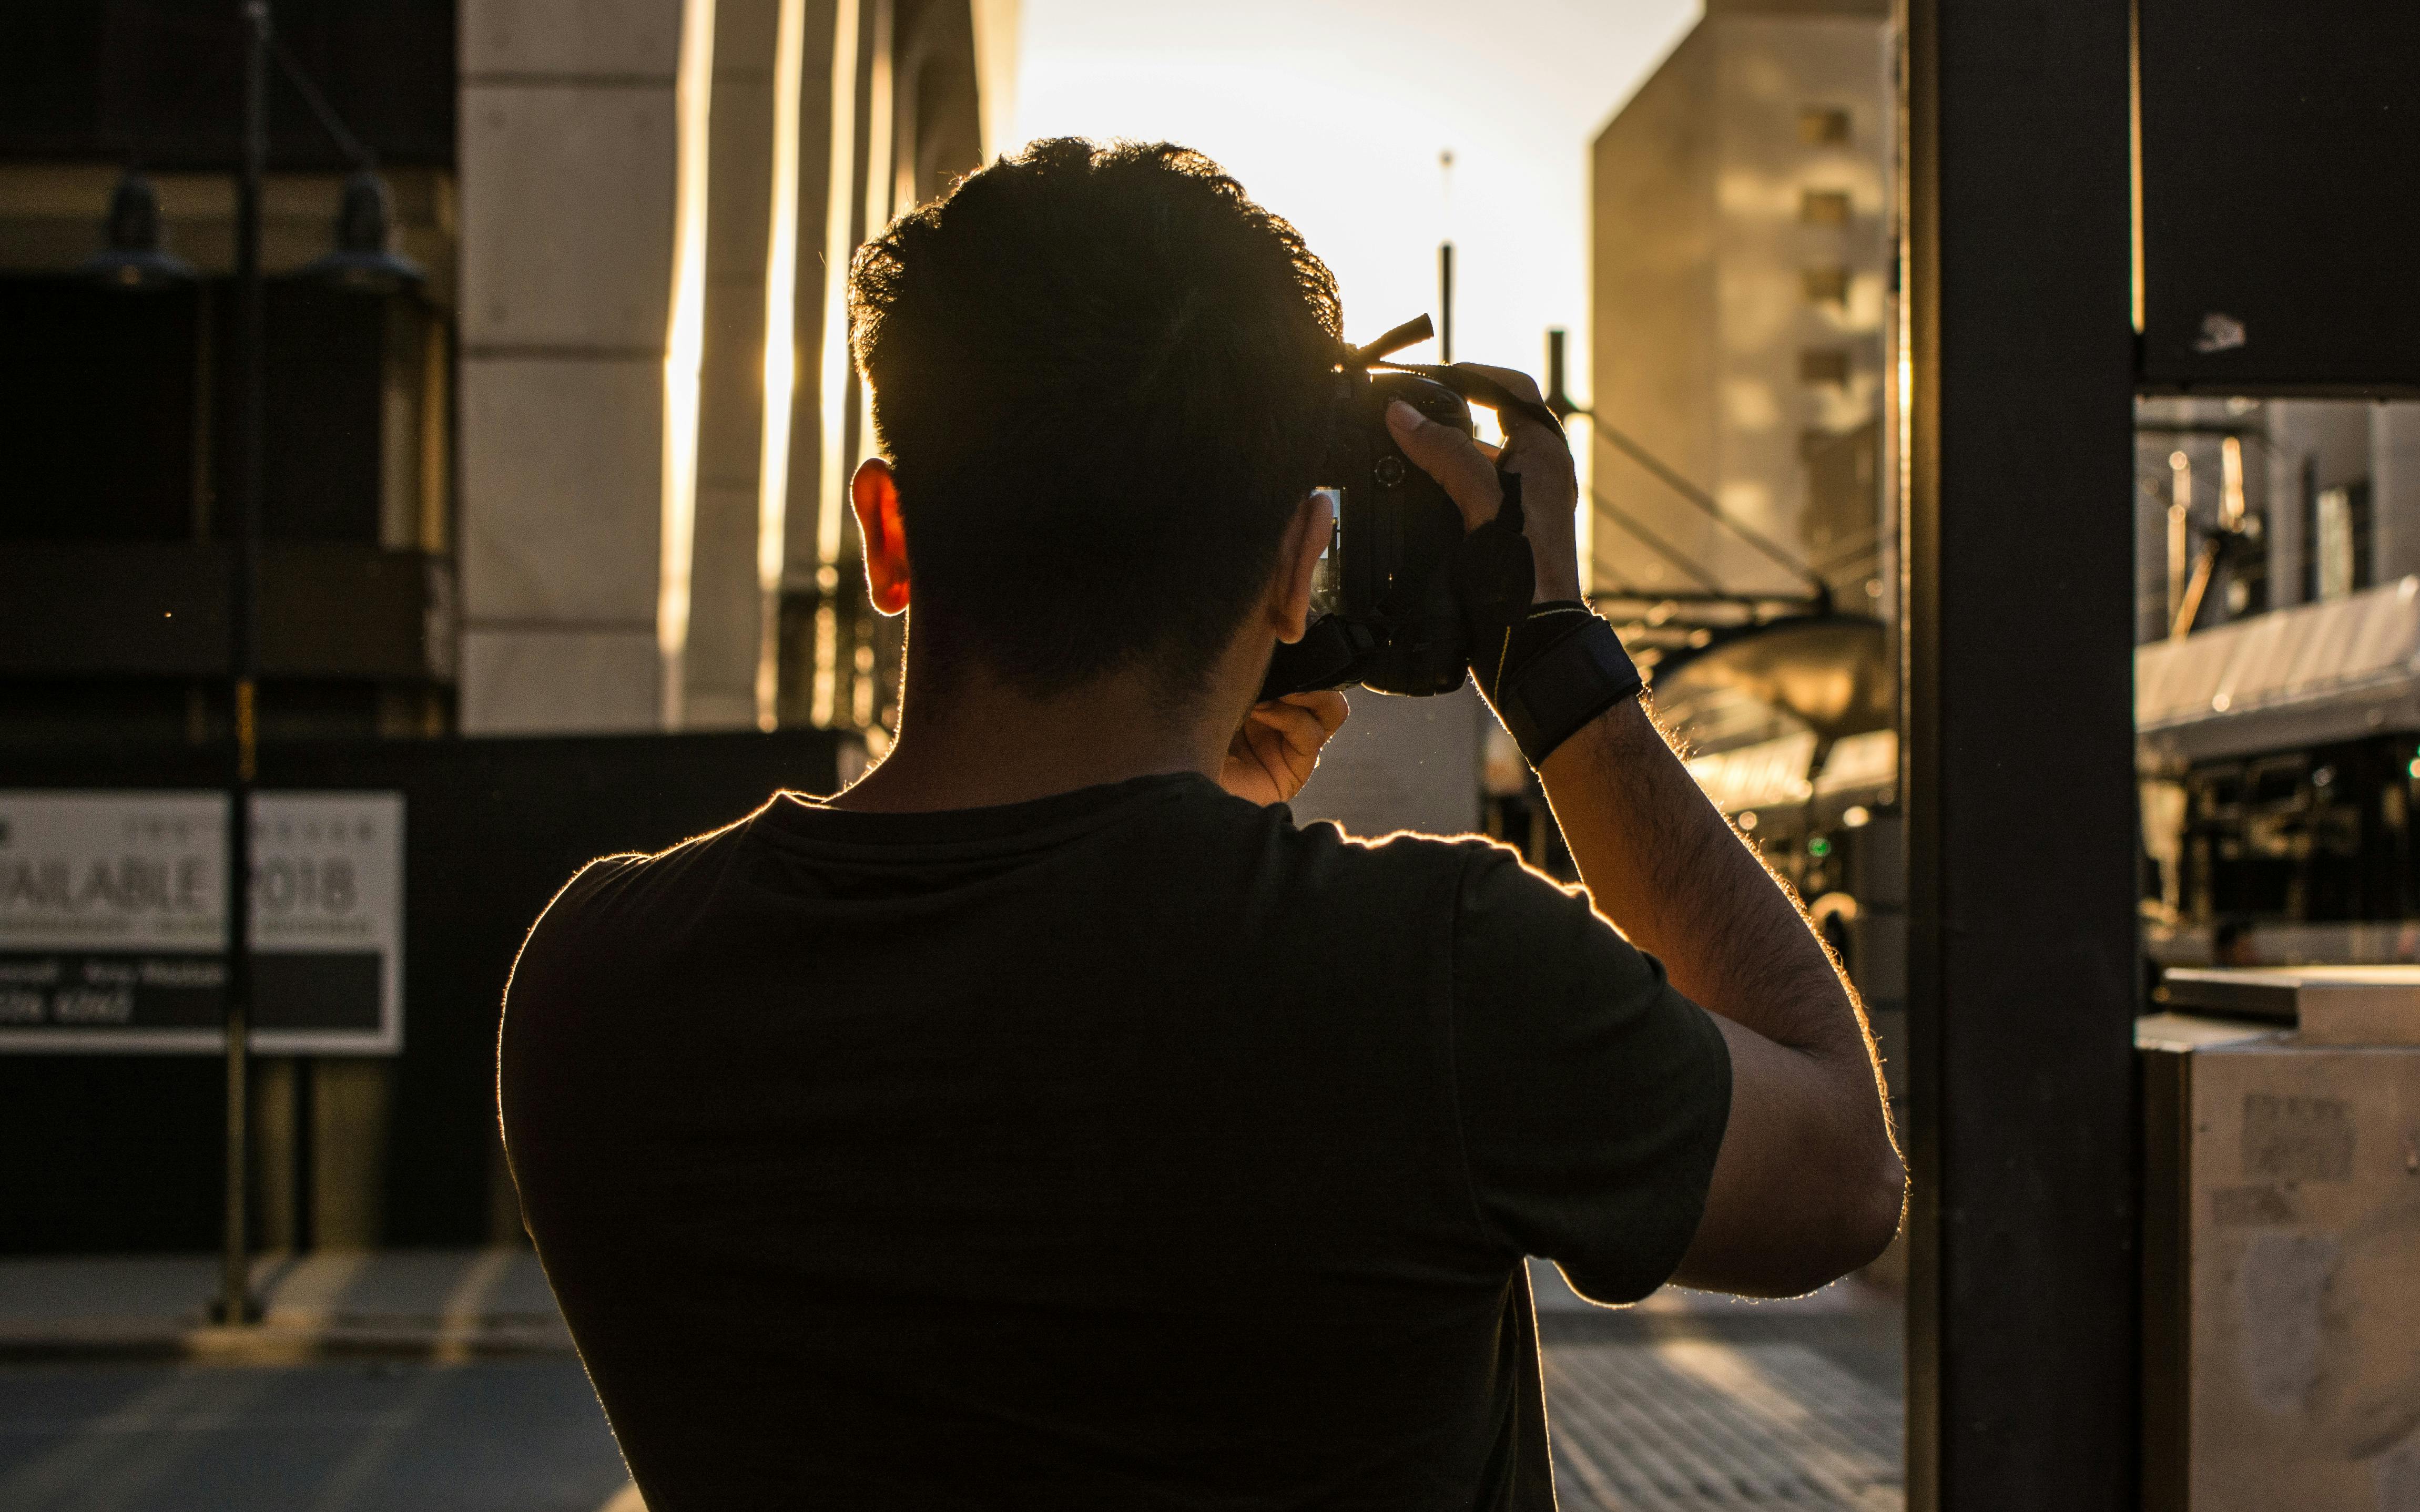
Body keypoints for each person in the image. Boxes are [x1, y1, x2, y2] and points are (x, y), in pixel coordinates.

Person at [498, 138, 1904, 1510]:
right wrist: (1561, 675)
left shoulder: (597, 980)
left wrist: (1187, 831)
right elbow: (1840, 1178)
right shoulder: (1430, 977)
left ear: (886, 532)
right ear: (1299, 569)